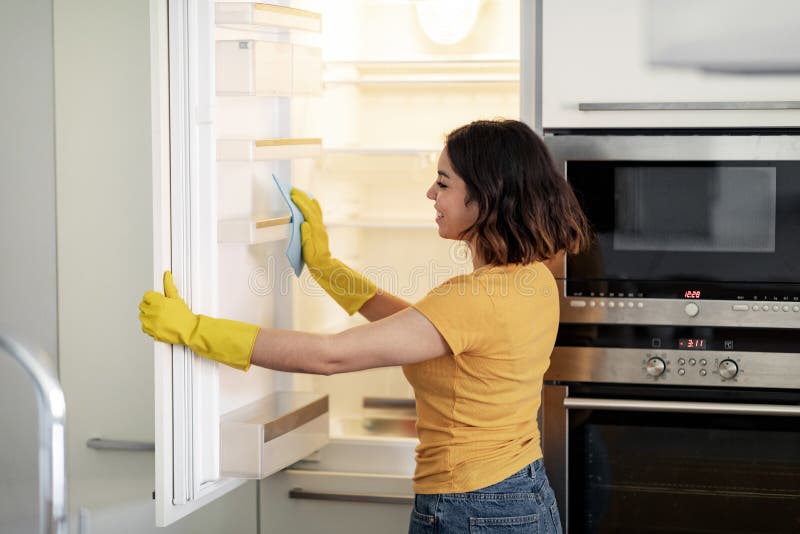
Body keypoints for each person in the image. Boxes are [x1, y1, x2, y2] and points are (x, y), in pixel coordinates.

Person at [139, 119, 591, 533]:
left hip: (472, 505)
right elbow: (418, 325)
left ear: (486, 195)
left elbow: (330, 356)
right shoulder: (531, 279)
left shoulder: (475, 298)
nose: (430, 194)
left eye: (443, 183)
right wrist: (323, 265)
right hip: (519, 492)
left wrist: (196, 329)